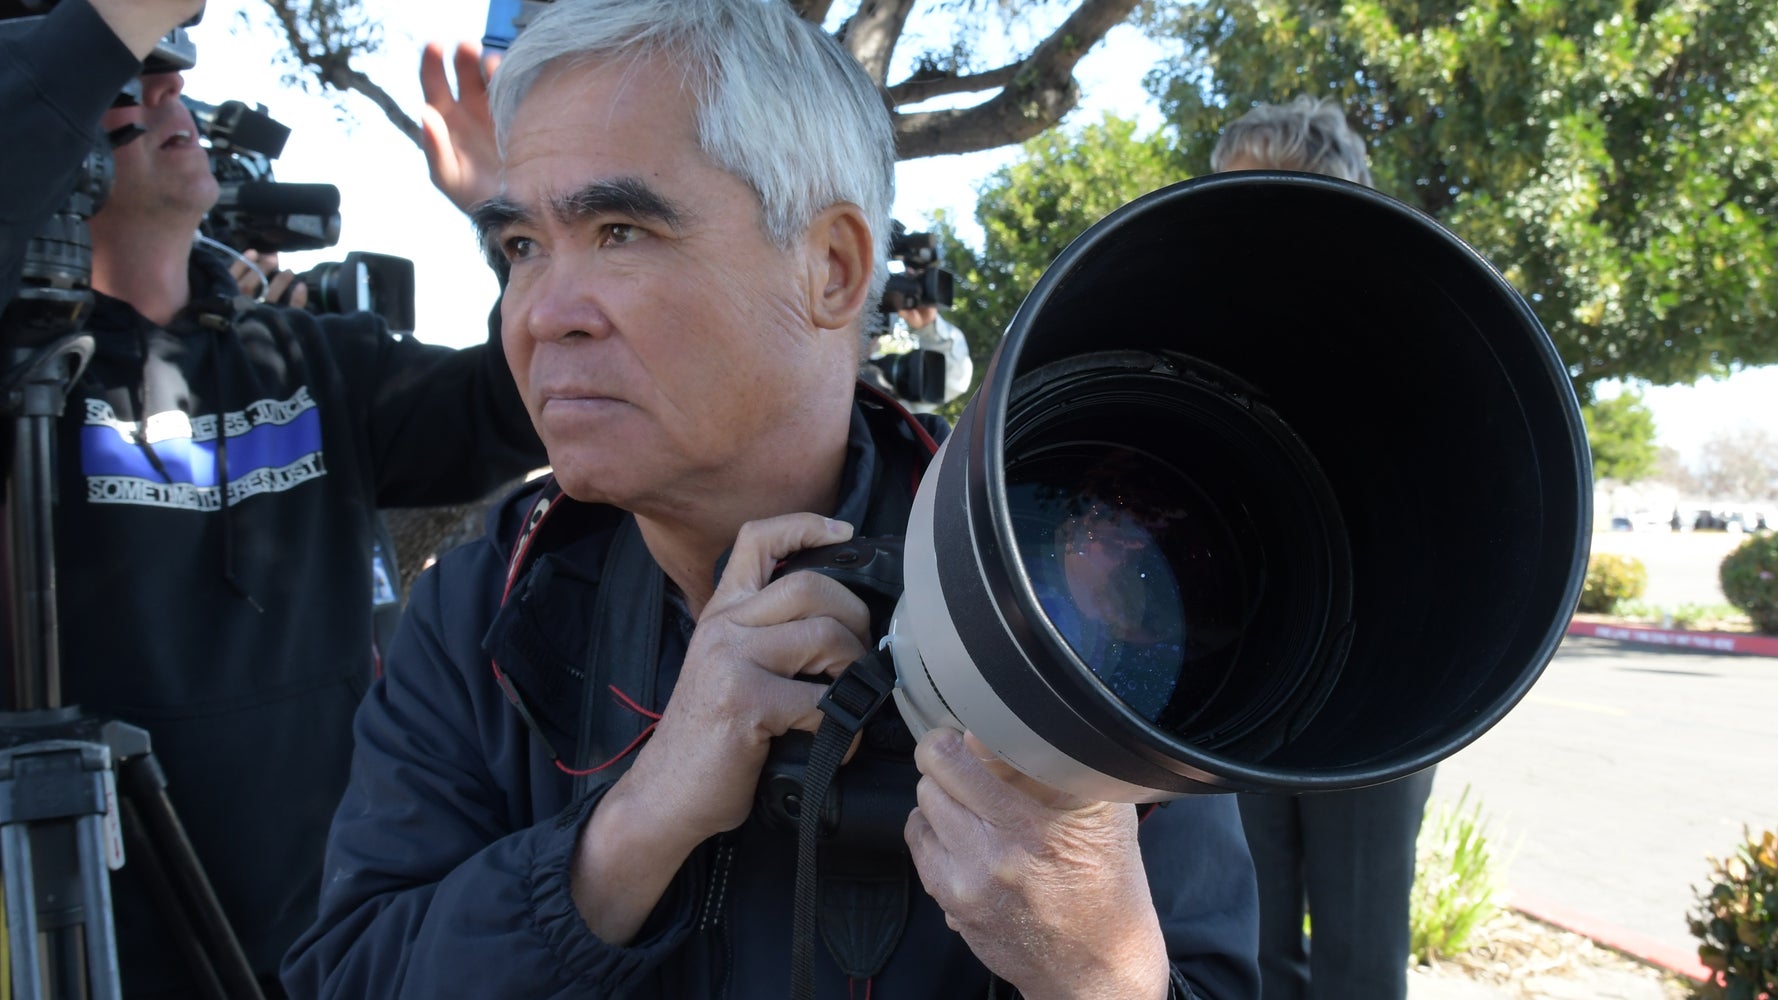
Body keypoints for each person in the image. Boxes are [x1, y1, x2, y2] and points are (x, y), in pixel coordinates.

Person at [282, 0, 1261, 996]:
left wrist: (1103, 976)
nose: (541, 315)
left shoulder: (1065, 589)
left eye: (619, 231)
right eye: (522, 248)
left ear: (831, 268)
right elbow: (353, 974)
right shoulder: (487, 603)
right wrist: (633, 826)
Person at [1, 2, 547, 996]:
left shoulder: (308, 358)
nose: (175, 95)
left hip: (329, 946)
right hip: (98, 946)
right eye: (128, 84)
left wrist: (511, 221)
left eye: (175, 74)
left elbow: (525, 403)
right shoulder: (28, 383)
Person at [1212, 94, 1438, 1000]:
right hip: (1246, 685)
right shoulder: (1200, 326)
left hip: (1384, 697)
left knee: (1359, 950)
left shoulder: (1418, 331)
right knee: (1252, 942)